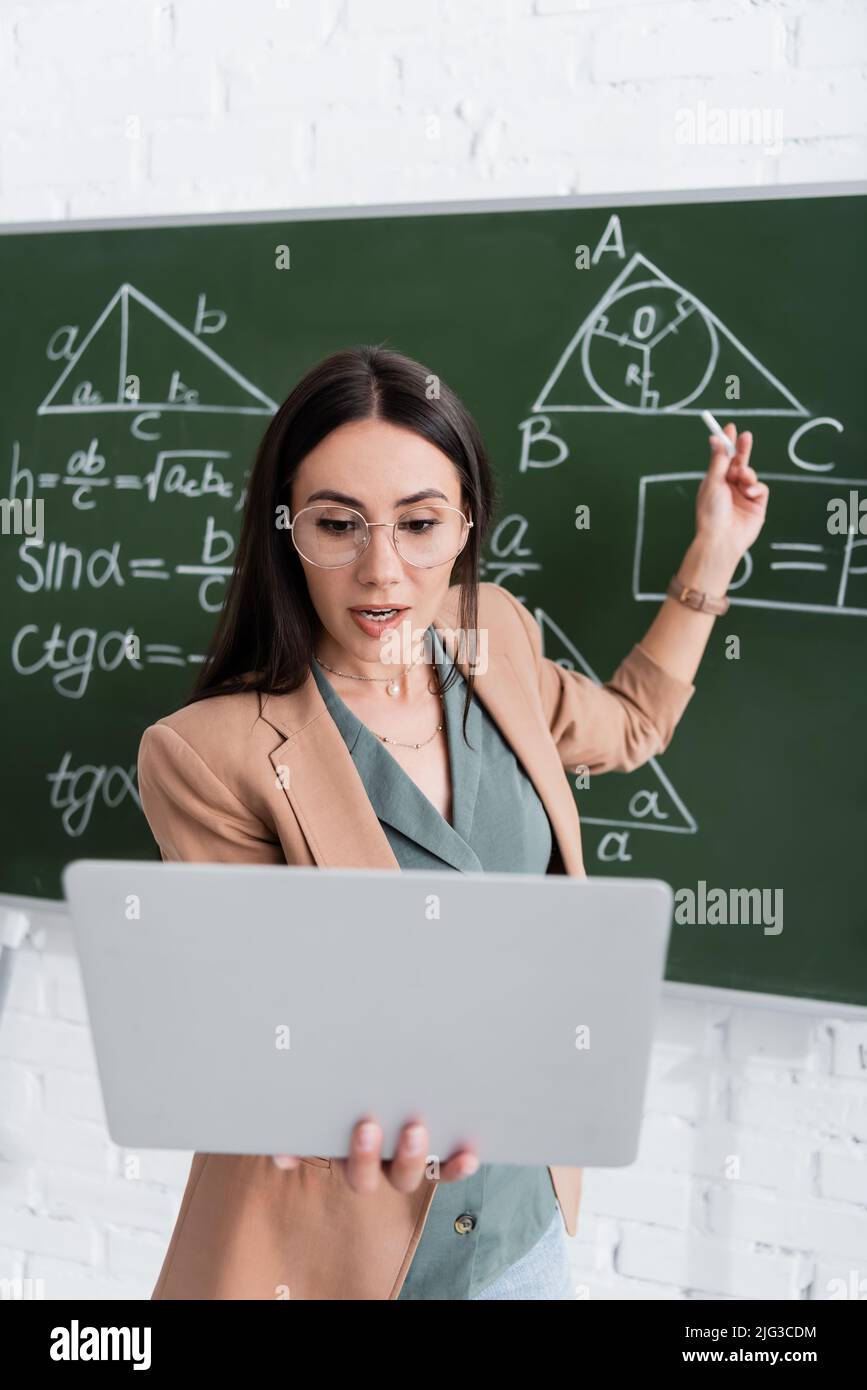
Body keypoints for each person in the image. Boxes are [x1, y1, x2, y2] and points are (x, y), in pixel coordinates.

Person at [137, 344, 768, 1300]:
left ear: (466, 525)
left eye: (421, 524)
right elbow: (272, 1030)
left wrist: (712, 552)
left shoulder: (495, 636)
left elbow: (629, 725)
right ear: (286, 533)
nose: (382, 570)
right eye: (336, 525)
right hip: (334, 1255)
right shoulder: (208, 754)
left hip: (521, 1230)